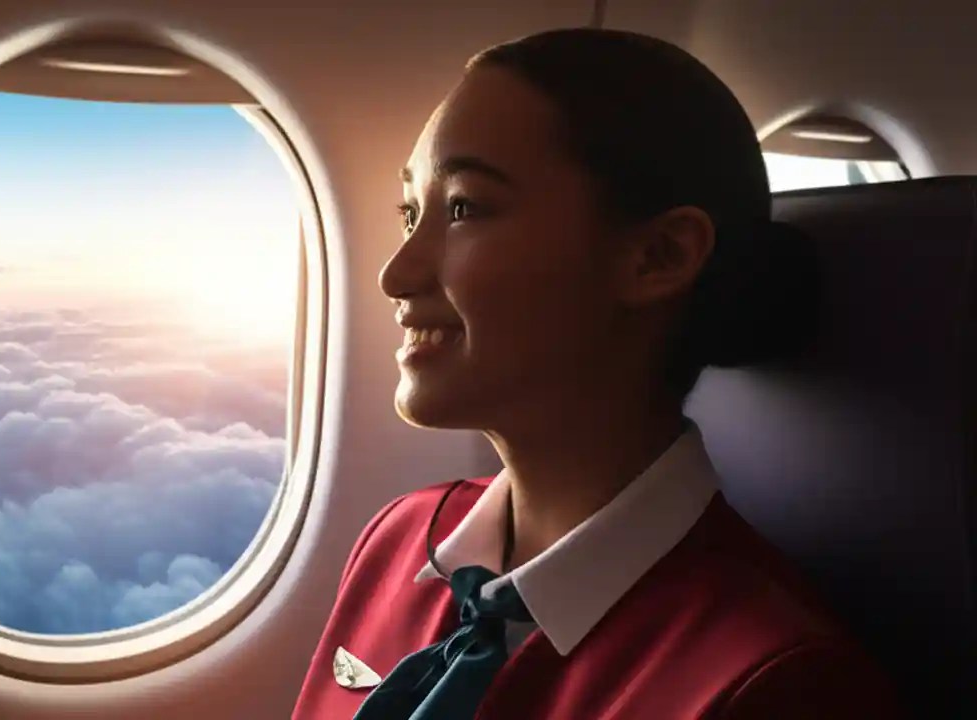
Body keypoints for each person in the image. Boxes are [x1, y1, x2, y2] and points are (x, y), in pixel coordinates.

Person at [291, 28, 905, 719]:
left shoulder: (772, 683)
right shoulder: (399, 540)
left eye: (464, 207)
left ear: (658, 257)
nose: (394, 273)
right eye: (411, 213)